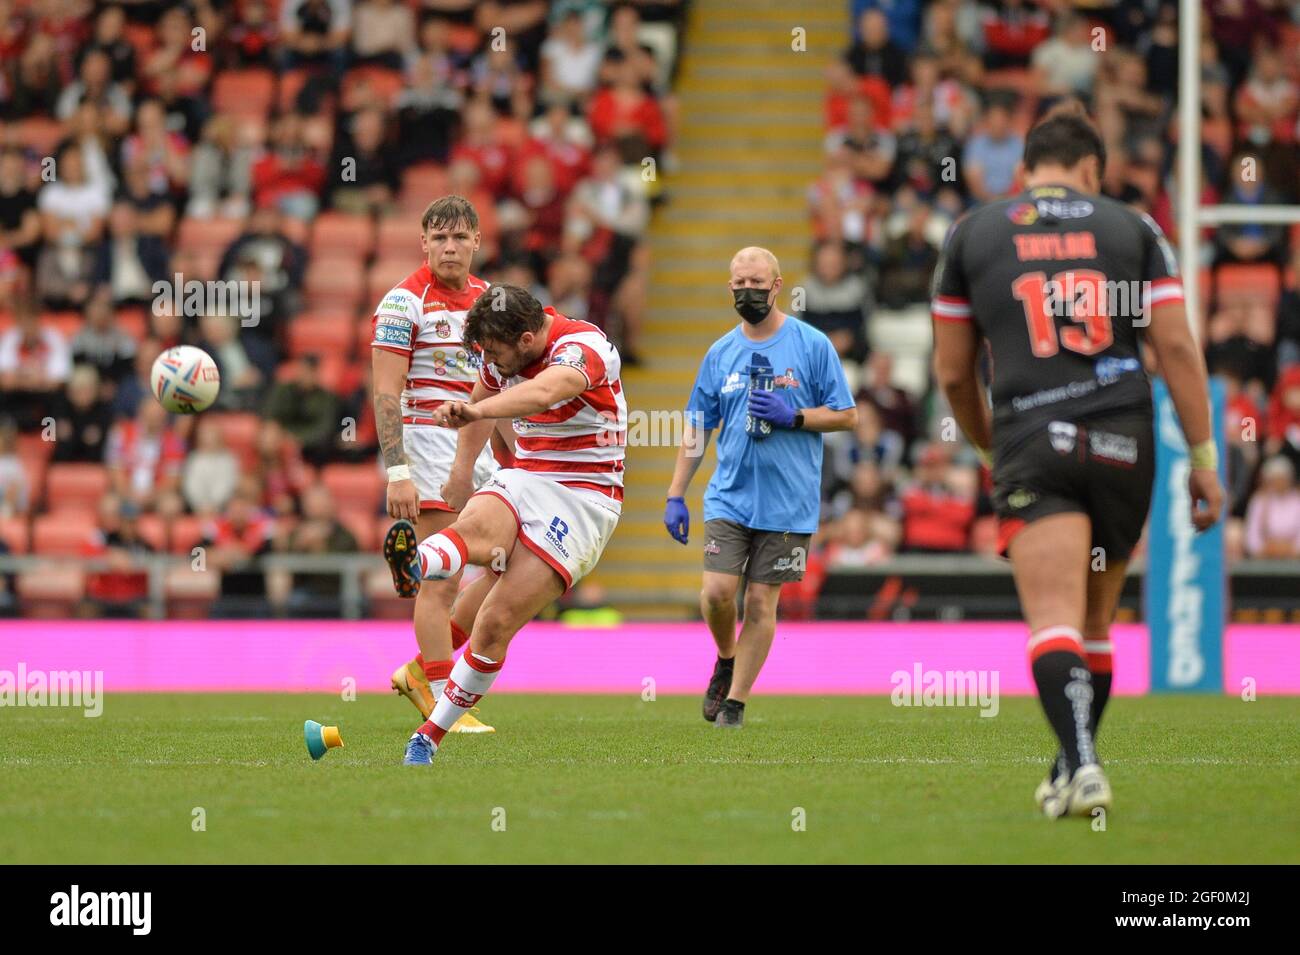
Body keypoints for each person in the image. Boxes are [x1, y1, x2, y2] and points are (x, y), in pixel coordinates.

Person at [930, 104, 1223, 818]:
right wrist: (1205, 457)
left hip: (1034, 440)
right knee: (1095, 624)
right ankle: (1070, 765)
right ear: (1092, 169)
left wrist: (989, 446)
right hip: (1125, 439)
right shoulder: (1135, 227)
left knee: (1053, 619)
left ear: (1025, 169)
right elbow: (1177, 348)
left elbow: (953, 374)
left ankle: (1085, 767)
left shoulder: (974, 231)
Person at [384, 284, 626, 764]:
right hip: (528, 474)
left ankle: (429, 735)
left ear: (527, 339)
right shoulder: (501, 354)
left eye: (494, 353)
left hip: (585, 498)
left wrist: (476, 410)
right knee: (475, 529)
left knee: (495, 623)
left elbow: (545, 391)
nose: (489, 361)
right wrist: (460, 473)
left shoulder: (584, 346)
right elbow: (482, 394)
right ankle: (416, 565)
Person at [663, 247, 856, 728]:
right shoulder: (720, 353)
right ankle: (726, 657)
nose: (748, 291)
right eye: (740, 283)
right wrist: (675, 493)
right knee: (716, 593)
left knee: (760, 602)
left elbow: (847, 415)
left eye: (757, 282)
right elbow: (698, 425)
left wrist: (794, 417)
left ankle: (735, 702)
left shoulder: (812, 345)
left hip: (789, 500)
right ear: (730, 287)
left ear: (777, 286)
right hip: (730, 495)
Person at [371, 195, 503, 734]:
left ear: (477, 241)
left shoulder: (490, 302)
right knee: (445, 578)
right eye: (440, 237)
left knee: (510, 565)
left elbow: (501, 387)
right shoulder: (404, 302)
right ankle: (442, 695)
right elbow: (386, 391)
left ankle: (420, 670)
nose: (450, 247)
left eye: (460, 237)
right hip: (428, 446)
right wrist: (397, 471)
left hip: (481, 445)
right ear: (423, 242)